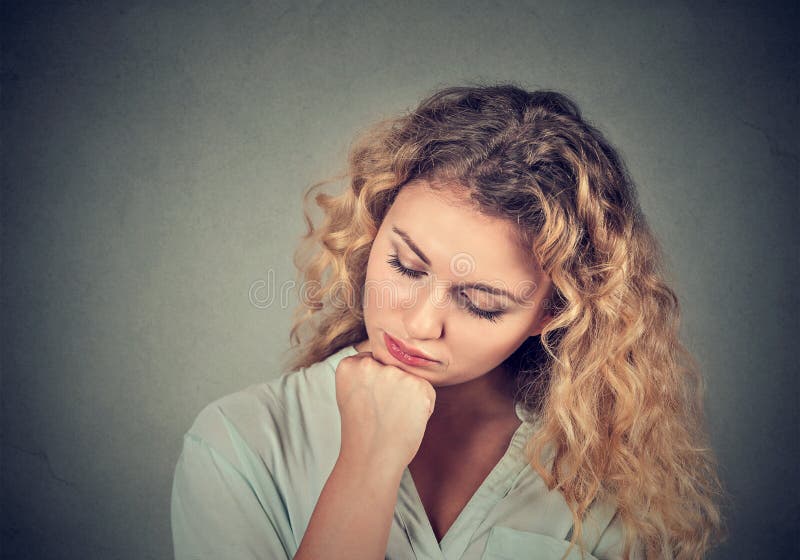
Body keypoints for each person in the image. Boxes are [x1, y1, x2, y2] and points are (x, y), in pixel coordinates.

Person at [170, 84, 726, 559]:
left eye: (482, 302)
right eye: (405, 266)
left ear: (551, 312)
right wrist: (368, 461)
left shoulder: (608, 477)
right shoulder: (240, 443)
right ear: (374, 229)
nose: (419, 322)